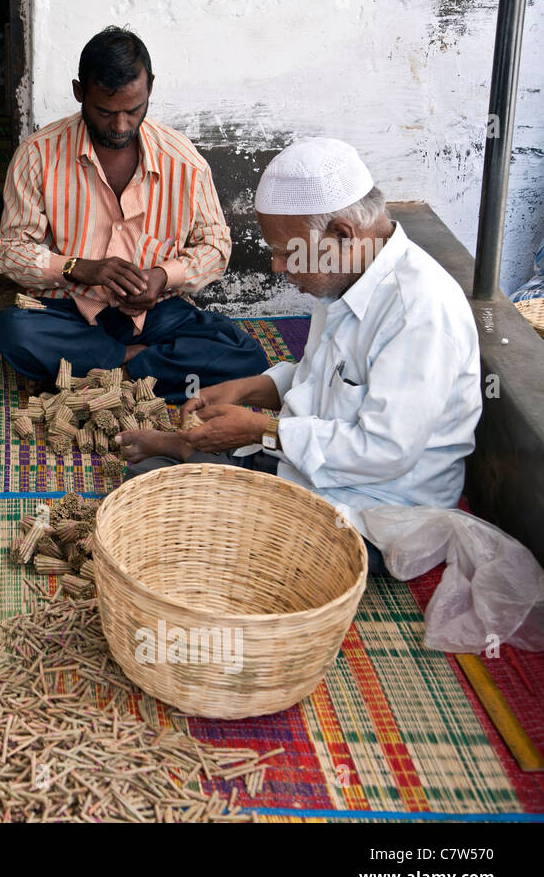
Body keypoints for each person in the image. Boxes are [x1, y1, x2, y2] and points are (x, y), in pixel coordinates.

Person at [117, 138, 482, 574]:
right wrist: (249, 388)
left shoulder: (420, 311)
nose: (276, 267)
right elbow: (320, 378)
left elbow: (385, 451)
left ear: (342, 234)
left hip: (379, 512)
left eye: (286, 252)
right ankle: (200, 458)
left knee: (178, 522)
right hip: (313, 470)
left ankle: (208, 463)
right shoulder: (347, 276)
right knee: (150, 484)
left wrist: (263, 430)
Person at [0, 26, 268, 403]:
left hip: (155, 315)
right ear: (79, 93)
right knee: (16, 332)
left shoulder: (183, 162)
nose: (120, 126)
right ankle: (139, 366)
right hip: (70, 309)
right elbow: (10, 251)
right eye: (105, 112)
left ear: (149, 89)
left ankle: (98, 371)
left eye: (133, 110)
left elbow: (216, 247)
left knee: (247, 357)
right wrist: (78, 267)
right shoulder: (38, 155)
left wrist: (161, 276)